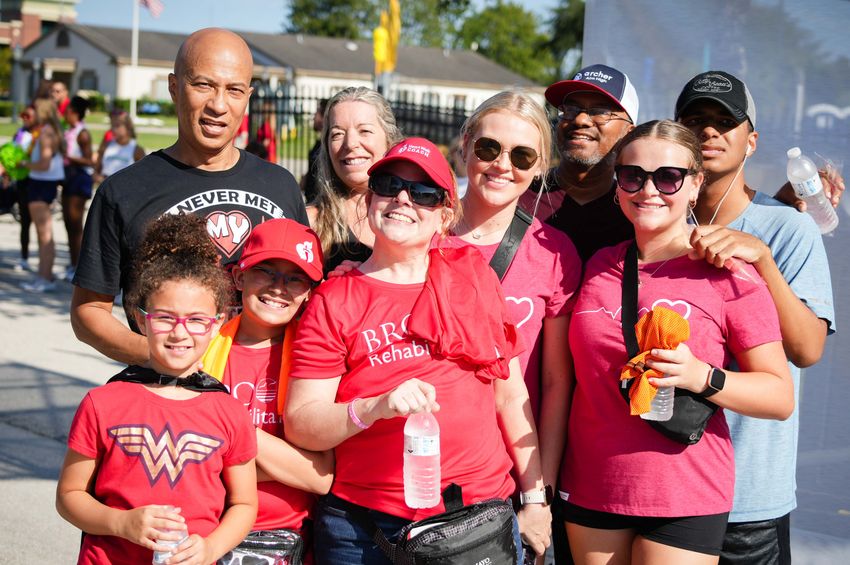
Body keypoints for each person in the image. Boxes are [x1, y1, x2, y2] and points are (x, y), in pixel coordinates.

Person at [285, 137, 552, 564]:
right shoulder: (333, 300)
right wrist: (372, 407)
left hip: (474, 517)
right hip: (364, 531)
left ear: (445, 216)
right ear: (369, 200)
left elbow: (510, 394)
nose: (403, 199)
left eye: (424, 193)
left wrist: (535, 498)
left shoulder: (473, 277)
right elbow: (301, 423)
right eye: (389, 185)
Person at [561, 120, 793, 565]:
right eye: (633, 176)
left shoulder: (729, 272)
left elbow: (779, 396)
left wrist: (701, 376)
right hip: (592, 484)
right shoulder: (597, 265)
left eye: (668, 177)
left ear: (694, 185)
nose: (648, 190)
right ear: (617, 184)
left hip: (684, 492)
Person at [71, 27, 308, 367]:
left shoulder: (281, 185)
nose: (218, 105)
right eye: (203, 85)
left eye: (234, 90)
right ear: (174, 87)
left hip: (268, 389)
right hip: (169, 391)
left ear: (248, 96)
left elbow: (305, 292)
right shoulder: (123, 191)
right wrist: (163, 356)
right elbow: (88, 311)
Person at [675, 71, 835, 565]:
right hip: (664, 487)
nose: (709, 131)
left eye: (725, 121)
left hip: (747, 497)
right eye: (695, 120)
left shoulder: (787, 227)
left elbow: (807, 349)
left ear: (751, 141)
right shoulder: (654, 221)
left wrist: (762, 259)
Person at [55, 213, 258, 564]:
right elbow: (69, 496)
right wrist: (120, 522)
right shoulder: (103, 403)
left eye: (196, 320)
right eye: (165, 317)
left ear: (217, 324)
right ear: (141, 318)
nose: (180, 332)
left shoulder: (230, 411)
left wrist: (211, 547)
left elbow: (244, 504)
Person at [449, 90, 581, 502]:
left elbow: (556, 383)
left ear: (540, 165)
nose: (502, 165)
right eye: (489, 148)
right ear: (466, 144)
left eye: (522, 156)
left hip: (510, 477)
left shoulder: (554, 252)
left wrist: (540, 492)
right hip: (426, 461)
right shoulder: (422, 233)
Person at [200, 218, 333, 558]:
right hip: (204, 531)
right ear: (239, 276)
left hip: (285, 538)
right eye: (265, 271)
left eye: (295, 278)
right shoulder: (200, 348)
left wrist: (234, 430)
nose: (278, 287)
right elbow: (187, 462)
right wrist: (282, 463)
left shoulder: (317, 357)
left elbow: (319, 476)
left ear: (309, 292)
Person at [520, 64, 638, 262]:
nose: (581, 119)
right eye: (571, 109)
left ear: (629, 133)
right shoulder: (519, 195)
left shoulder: (636, 213)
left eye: (601, 111)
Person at [309, 86, 402, 273]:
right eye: (337, 134)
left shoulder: (415, 216)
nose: (350, 143)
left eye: (364, 131)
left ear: (389, 140)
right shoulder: (311, 224)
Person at [20, 97, 65, 292]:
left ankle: (45, 277)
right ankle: (43, 274)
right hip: (42, 183)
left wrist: (24, 164)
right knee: (43, 233)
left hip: (41, 183)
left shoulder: (46, 133)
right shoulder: (50, 130)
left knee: (44, 233)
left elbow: (44, 164)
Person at [61, 96, 95, 282]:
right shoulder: (69, 130)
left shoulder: (83, 133)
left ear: (74, 112)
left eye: (67, 111)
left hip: (79, 178)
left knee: (75, 224)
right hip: (68, 177)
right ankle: (73, 262)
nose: (64, 114)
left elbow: (89, 160)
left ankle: (80, 267)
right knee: (68, 222)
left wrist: (68, 157)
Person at [6, 105, 35, 272]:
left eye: (28, 116)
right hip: (21, 181)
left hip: (35, 181)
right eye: (23, 115)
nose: (24, 118)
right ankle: (24, 257)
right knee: (24, 222)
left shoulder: (39, 134)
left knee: (37, 223)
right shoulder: (20, 133)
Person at [94, 110, 145, 182]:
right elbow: (96, 170)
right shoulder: (106, 145)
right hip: (105, 187)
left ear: (128, 127)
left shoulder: (137, 150)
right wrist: (98, 178)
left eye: (117, 126)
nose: (113, 129)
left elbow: (143, 176)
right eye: (112, 125)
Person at [300, 98, 328, 204]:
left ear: (324, 117)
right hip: (311, 200)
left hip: (319, 202)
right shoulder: (319, 143)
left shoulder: (327, 146)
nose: (314, 117)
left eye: (317, 112)